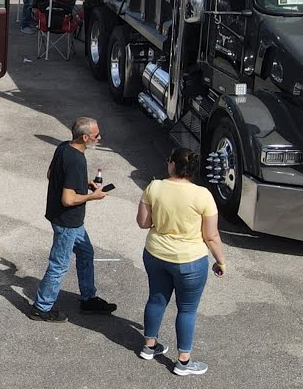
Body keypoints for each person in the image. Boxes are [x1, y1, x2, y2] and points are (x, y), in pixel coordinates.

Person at [135, 147, 227, 377]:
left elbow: (143, 223)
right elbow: (211, 236)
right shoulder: (203, 195)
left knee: (156, 299)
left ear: (173, 165)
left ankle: (149, 346)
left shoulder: (154, 187)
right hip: (190, 261)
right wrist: (220, 262)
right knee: (187, 310)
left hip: (156, 254)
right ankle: (183, 362)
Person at [30, 117, 115, 322]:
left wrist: (85, 183)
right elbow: (68, 200)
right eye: (96, 135)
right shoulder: (77, 160)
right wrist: (93, 196)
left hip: (65, 218)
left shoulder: (63, 147)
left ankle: (88, 298)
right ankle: (41, 307)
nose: (99, 138)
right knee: (59, 264)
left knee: (86, 252)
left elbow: (51, 174)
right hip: (67, 221)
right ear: (85, 137)